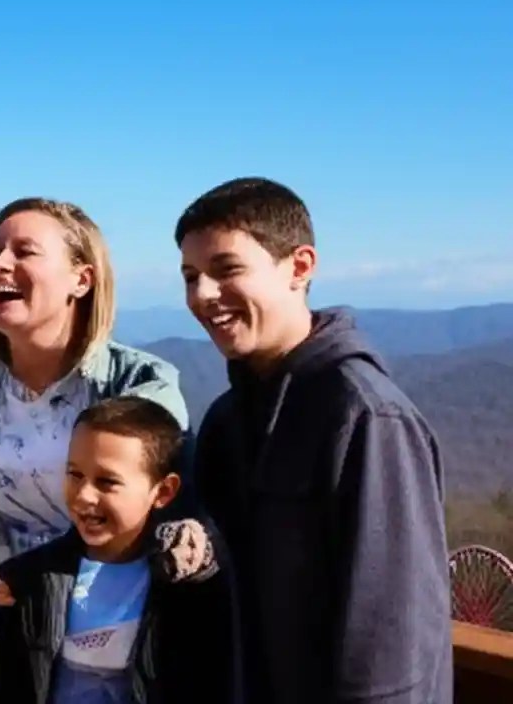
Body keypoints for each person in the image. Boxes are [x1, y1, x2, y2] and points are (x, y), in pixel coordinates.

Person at [175, 176, 452, 704]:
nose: (203, 296)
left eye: (227, 269)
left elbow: (392, 646)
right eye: (190, 277)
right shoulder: (226, 420)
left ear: (299, 267)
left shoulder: (367, 418)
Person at [0, 197, 191, 701]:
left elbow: (165, 506)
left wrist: (36, 574)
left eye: (24, 251)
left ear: (81, 280)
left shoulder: (140, 385)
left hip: (103, 659)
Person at [0, 396, 241, 703]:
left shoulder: (186, 590)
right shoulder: (29, 581)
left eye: (107, 482)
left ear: (163, 491)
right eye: (74, 474)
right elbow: (5, 684)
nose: (83, 496)